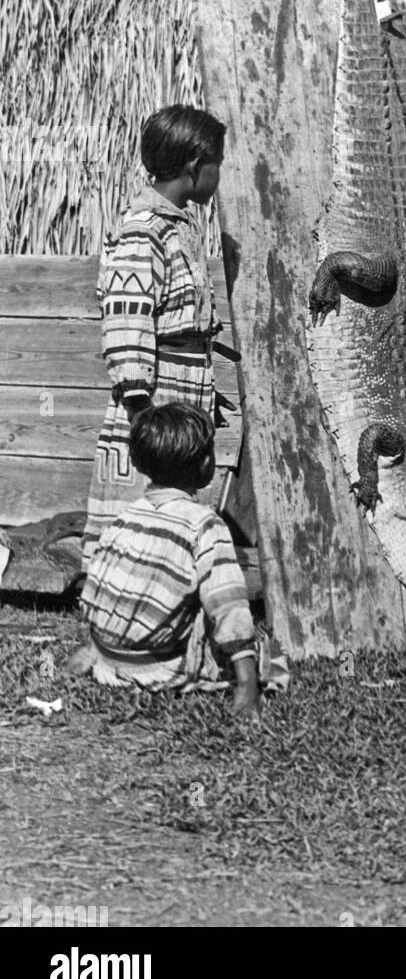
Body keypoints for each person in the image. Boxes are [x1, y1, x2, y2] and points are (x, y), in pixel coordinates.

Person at [81, 105, 226, 568]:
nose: (219, 174)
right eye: (218, 163)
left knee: (177, 500)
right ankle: (123, 588)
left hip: (182, 388)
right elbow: (126, 321)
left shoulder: (179, 226)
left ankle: (172, 589)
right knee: (144, 498)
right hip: (154, 397)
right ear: (194, 166)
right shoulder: (143, 233)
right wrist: (142, 411)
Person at [77, 404, 285, 711]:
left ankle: (102, 655)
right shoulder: (204, 525)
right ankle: (242, 680)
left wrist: (96, 649)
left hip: (108, 663)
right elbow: (228, 604)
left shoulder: (126, 517)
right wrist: (246, 684)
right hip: (156, 671)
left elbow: (99, 590)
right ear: (204, 463)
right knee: (271, 654)